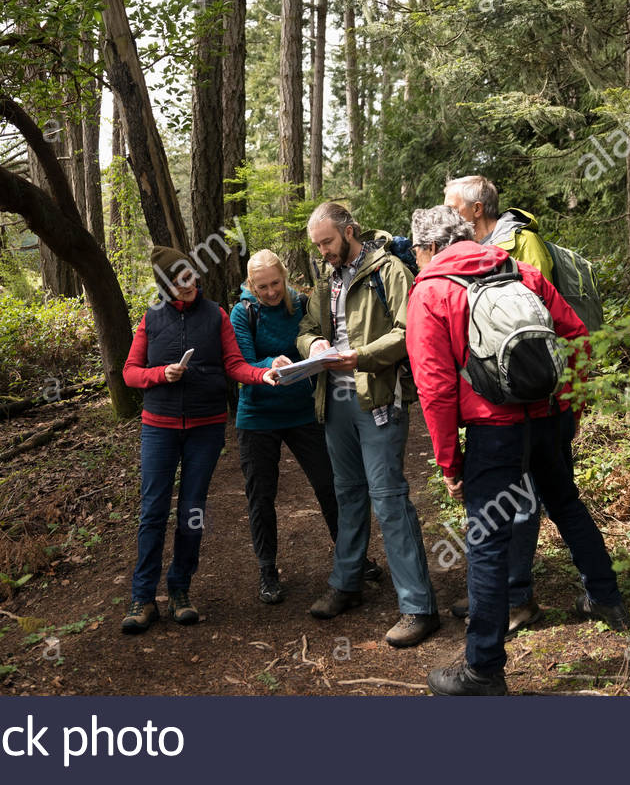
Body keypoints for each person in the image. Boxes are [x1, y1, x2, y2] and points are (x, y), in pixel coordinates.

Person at [405, 206, 630, 695]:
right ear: (466, 235)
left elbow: (437, 388)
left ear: (426, 249)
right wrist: (569, 407)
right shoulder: (520, 271)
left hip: (494, 432)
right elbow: (576, 336)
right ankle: (607, 600)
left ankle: (483, 669)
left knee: (486, 540)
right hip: (547, 418)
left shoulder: (430, 291)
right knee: (565, 502)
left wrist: (449, 461)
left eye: (417, 252)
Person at [297, 202, 441, 648]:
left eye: (328, 242)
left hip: (378, 398)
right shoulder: (326, 280)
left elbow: (408, 330)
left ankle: (419, 607)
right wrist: (314, 342)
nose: (323, 252)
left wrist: (360, 357)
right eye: (318, 245)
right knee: (347, 492)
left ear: (349, 231)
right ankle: (347, 583)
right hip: (334, 403)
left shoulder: (389, 271)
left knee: (388, 498)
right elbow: (305, 325)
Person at [119, 246, 282, 634]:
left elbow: (235, 364)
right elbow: (129, 373)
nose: (187, 285)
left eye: (189, 276)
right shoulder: (151, 318)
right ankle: (142, 598)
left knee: (192, 510)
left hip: (206, 428)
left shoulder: (216, 315)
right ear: (165, 286)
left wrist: (263, 375)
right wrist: (161, 374)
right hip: (159, 426)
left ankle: (180, 590)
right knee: (153, 510)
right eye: (177, 281)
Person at [231, 249, 380, 604]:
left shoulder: (301, 304)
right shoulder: (243, 312)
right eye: (262, 286)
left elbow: (314, 339)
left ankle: (352, 558)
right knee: (261, 495)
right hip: (258, 416)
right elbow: (243, 361)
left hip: (301, 411)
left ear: (285, 276)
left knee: (330, 485)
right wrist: (271, 362)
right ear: (251, 285)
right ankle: (268, 568)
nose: (270, 292)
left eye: (276, 283)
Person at [441, 174, 552, 631]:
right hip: (497, 400)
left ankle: (517, 597)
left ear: (476, 209)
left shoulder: (523, 246)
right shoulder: (476, 251)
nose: (447, 214)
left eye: (451, 206)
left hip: (529, 401)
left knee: (522, 500)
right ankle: (496, 594)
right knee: (500, 503)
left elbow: (546, 321)